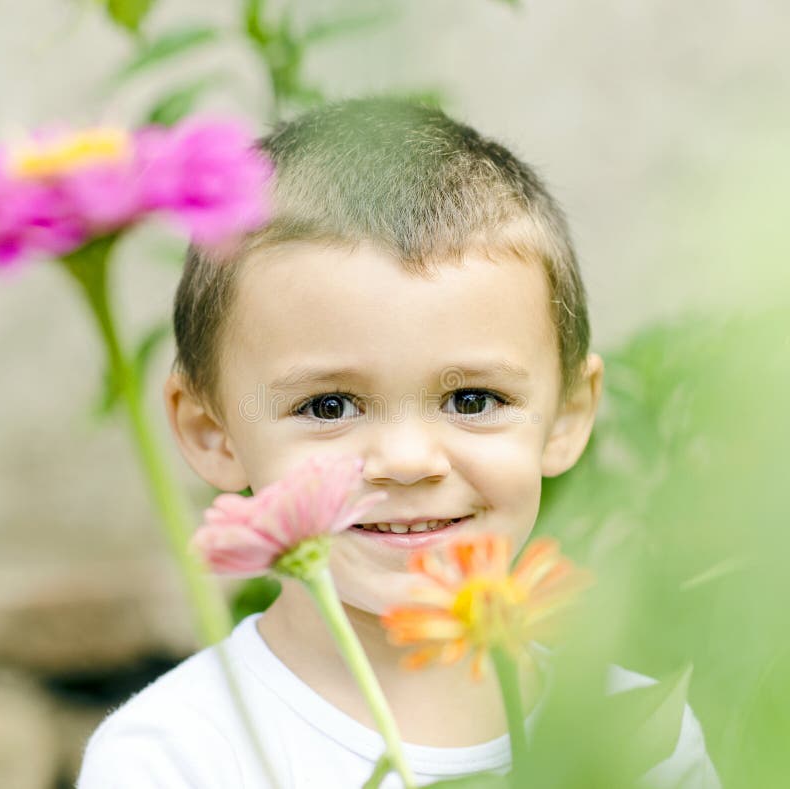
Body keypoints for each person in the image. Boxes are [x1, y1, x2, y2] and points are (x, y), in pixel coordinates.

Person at [76, 97, 720, 788]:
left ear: (566, 418)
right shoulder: (174, 755)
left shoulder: (636, 735)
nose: (409, 461)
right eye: (329, 405)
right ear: (213, 432)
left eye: (473, 399)